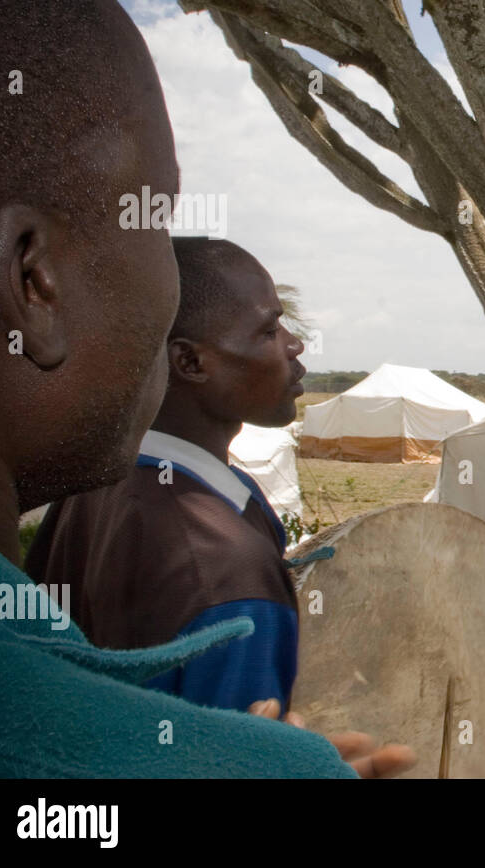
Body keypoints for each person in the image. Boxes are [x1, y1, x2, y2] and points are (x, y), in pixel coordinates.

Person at [0, 0, 410, 777]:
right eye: (152, 215)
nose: (296, 346)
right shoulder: (225, 577)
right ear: (33, 283)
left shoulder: (84, 504)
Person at [27, 238, 309, 714]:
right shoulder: (228, 571)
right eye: (268, 329)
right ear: (190, 362)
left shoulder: (92, 487)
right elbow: (238, 762)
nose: (295, 344)